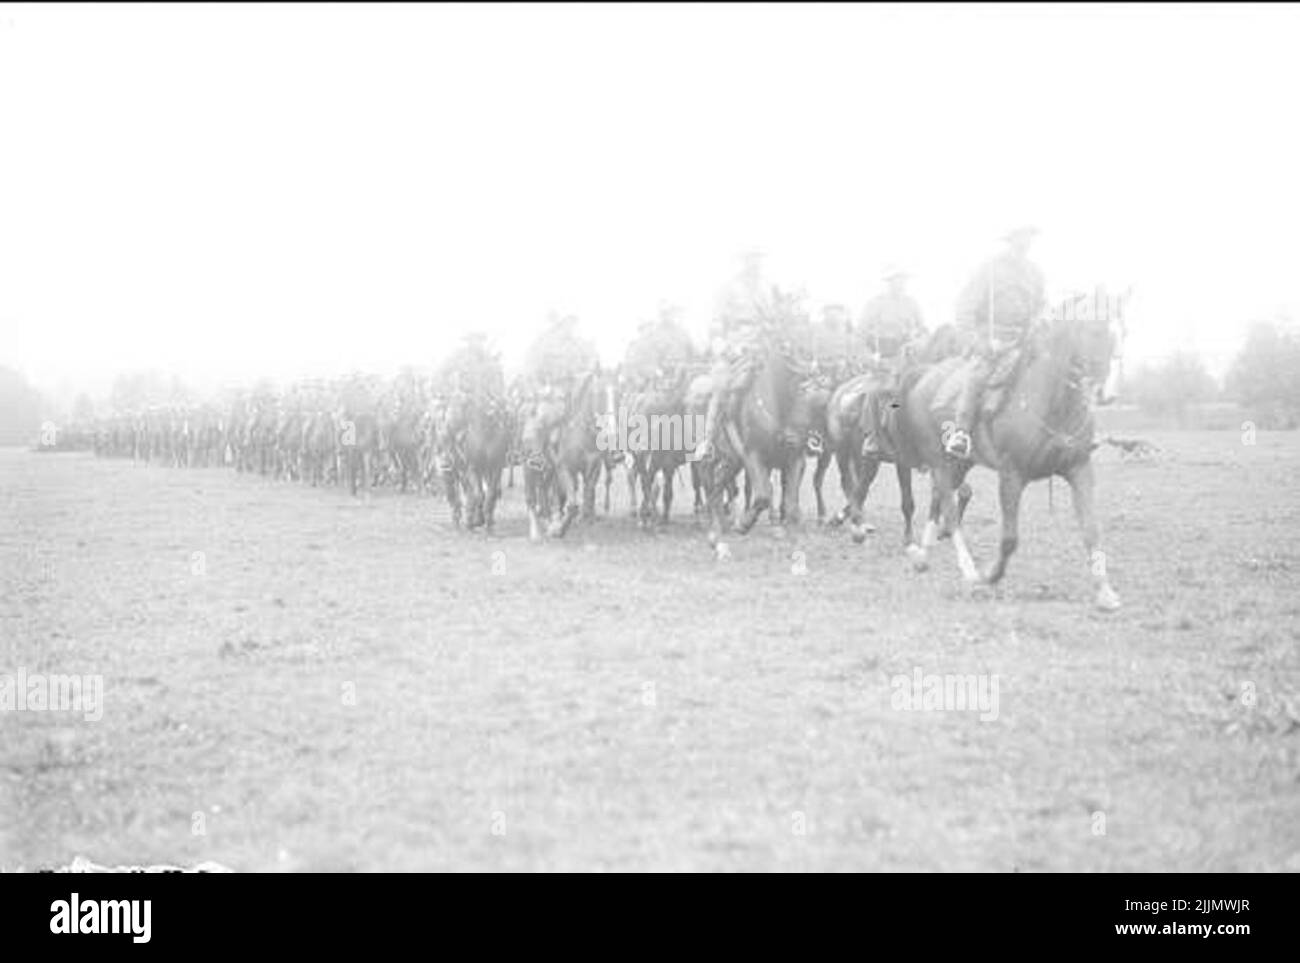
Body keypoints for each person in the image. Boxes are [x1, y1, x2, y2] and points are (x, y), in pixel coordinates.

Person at [944, 226, 1047, 458]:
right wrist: (978, 341)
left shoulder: (1034, 272)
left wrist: (1039, 321)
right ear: (1010, 240)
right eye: (1022, 236)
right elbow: (965, 308)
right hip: (992, 340)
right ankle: (961, 433)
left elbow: (1042, 304)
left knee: (1054, 373)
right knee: (978, 375)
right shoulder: (989, 270)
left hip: (1025, 339)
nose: (1026, 242)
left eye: (1030, 237)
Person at [859, 267, 927, 457]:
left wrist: (917, 340)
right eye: (896, 280)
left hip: (909, 359)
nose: (900, 284)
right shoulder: (875, 304)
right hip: (884, 359)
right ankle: (873, 437)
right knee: (874, 394)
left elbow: (923, 330)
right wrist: (871, 359)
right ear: (888, 282)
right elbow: (860, 337)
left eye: (903, 280)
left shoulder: (912, 304)